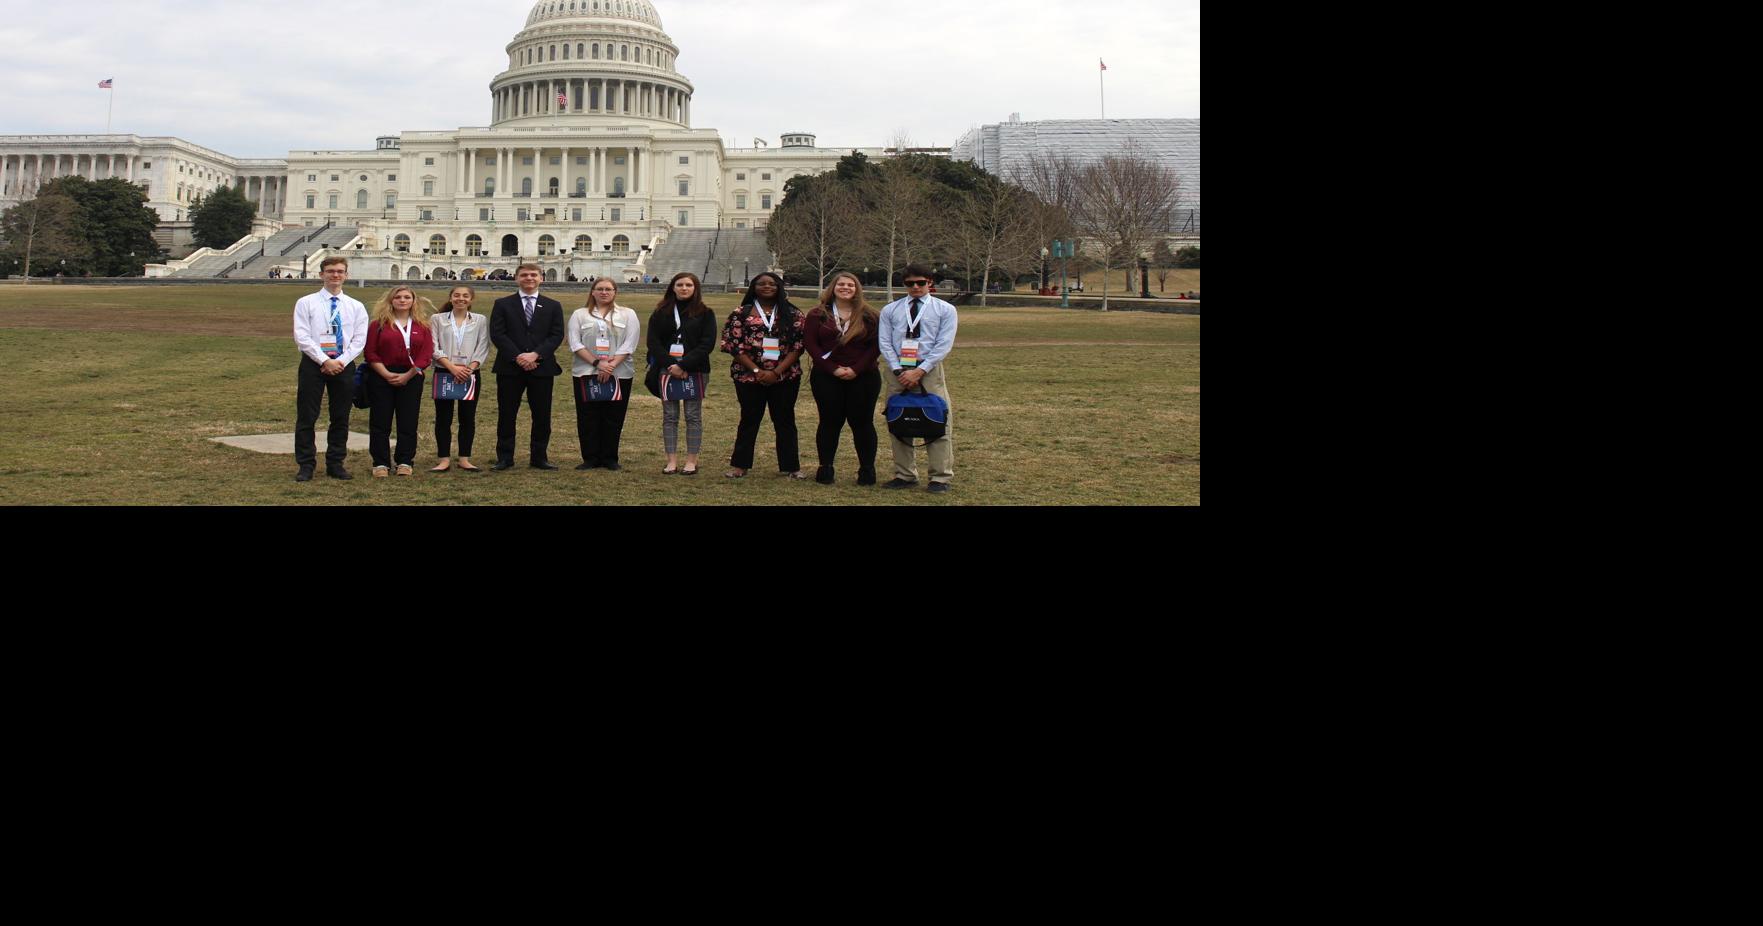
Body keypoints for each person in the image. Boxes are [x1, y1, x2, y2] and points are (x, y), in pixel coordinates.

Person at [879, 263, 958, 493]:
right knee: (899, 420)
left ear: (929, 282)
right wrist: (898, 370)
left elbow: (943, 344)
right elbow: (884, 342)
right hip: (898, 372)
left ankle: (940, 477)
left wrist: (920, 370)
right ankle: (904, 474)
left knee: (937, 420)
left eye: (921, 282)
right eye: (910, 283)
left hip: (929, 371)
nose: (915, 287)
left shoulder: (945, 309)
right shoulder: (891, 310)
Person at [721, 271, 806, 479]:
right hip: (748, 376)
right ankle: (740, 465)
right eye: (761, 284)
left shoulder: (793, 313)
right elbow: (733, 345)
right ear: (753, 287)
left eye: (772, 284)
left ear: (779, 287)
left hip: (785, 377)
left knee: (785, 420)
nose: (767, 287)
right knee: (749, 419)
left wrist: (776, 372)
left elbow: (798, 346)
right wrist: (758, 371)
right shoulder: (741, 313)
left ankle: (791, 467)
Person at [291, 256, 369, 481]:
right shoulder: (306, 302)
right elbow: (302, 336)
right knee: (307, 415)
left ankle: (336, 462)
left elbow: (359, 340)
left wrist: (340, 361)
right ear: (321, 274)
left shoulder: (355, 306)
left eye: (340, 271)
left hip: (343, 364)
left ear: (346, 275)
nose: (335, 275)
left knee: (340, 415)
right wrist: (324, 360)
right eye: (331, 271)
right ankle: (306, 464)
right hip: (313, 364)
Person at [803, 271, 882, 485]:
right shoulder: (817, 314)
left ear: (857, 289)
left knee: (863, 423)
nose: (846, 288)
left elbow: (876, 346)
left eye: (851, 285)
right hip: (827, 376)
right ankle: (825, 468)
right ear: (833, 288)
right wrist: (833, 369)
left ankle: (867, 470)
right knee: (829, 422)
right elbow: (811, 345)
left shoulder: (870, 315)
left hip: (864, 376)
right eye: (841, 284)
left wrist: (856, 369)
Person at [489, 262, 565, 470]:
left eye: (533, 275)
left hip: (542, 367)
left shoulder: (553, 305)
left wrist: (535, 355)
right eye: (524, 275)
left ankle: (539, 457)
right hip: (510, 367)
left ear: (541, 278)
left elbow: (556, 335)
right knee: (507, 413)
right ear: (516, 278)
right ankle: (505, 457)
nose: (529, 278)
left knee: (541, 414)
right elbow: (498, 334)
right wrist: (518, 356)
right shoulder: (502, 304)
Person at [647, 272, 718, 475]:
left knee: (693, 415)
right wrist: (671, 365)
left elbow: (707, 343)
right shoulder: (661, 312)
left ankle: (691, 460)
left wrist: (684, 365)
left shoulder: (706, 313)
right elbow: (653, 342)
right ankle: (671, 460)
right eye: (680, 284)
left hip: (695, 371)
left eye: (688, 285)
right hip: (666, 369)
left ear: (695, 288)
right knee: (670, 416)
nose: (684, 288)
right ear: (673, 287)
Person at [568, 278, 641, 470]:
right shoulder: (580, 314)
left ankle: (610, 457)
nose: (604, 292)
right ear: (592, 292)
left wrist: (611, 365)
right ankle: (590, 458)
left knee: (613, 416)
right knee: (588, 416)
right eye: (599, 289)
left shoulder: (628, 314)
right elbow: (575, 343)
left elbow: (630, 343)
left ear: (615, 292)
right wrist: (597, 363)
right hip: (586, 371)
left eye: (608, 289)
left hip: (619, 372)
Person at [364, 285, 435, 477]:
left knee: (408, 421)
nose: (402, 300)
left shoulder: (422, 326)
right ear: (390, 300)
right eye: (398, 297)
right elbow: (370, 352)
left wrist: (408, 375)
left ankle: (405, 461)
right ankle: (380, 463)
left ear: (413, 301)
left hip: (411, 376)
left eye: (406, 297)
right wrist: (386, 374)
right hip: (382, 375)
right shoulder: (378, 324)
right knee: (380, 421)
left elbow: (426, 354)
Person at [430, 284, 490, 472]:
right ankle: (444, 458)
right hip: (444, 371)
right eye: (456, 295)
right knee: (443, 417)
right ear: (450, 298)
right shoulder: (437, 319)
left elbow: (483, 346)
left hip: (470, 373)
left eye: (465, 296)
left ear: (471, 300)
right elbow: (433, 345)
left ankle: (464, 457)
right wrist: (451, 367)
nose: (460, 299)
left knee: (467, 417)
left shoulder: (480, 320)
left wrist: (470, 368)